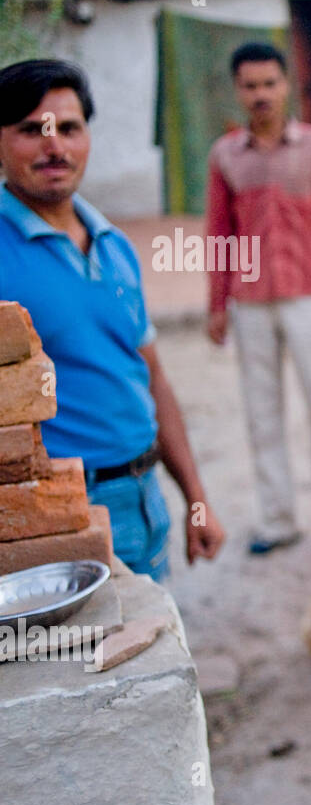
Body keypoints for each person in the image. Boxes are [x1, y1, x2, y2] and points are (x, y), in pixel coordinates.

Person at [0, 59, 225, 581]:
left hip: (143, 499)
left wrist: (195, 498)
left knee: (153, 652)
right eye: (32, 131)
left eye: (69, 128)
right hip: (55, 517)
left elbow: (151, 376)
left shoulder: (113, 244)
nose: (55, 147)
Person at [205, 42, 311, 554]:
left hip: (307, 295)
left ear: (287, 86)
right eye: (250, 86)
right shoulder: (225, 156)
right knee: (262, 412)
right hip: (249, 301)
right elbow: (219, 234)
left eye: (269, 84)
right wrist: (216, 304)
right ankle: (277, 521)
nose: (261, 95)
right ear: (238, 90)